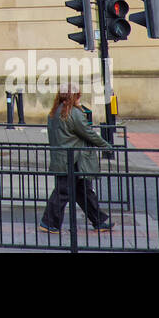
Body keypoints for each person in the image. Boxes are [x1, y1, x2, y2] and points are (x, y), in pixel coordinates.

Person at [39, 87, 113, 234]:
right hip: (74, 160)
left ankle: (99, 221)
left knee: (83, 191)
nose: (79, 99)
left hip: (63, 158)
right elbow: (88, 133)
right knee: (63, 192)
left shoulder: (54, 112)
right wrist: (107, 146)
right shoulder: (73, 113)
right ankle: (49, 223)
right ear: (73, 97)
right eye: (78, 96)